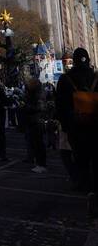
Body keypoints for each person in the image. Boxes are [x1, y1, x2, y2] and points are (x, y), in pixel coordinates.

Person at [55, 47, 98, 217]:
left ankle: (88, 191)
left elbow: (60, 106)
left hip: (76, 128)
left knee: (81, 160)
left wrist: (66, 126)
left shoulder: (65, 79)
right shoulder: (96, 77)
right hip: (95, 127)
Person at [20, 78, 48, 174]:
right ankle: (38, 162)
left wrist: (27, 107)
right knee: (35, 143)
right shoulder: (33, 94)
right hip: (33, 120)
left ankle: (41, 164)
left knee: (38, 143)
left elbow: (40, 107)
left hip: (37, 120)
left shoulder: (38, 94)